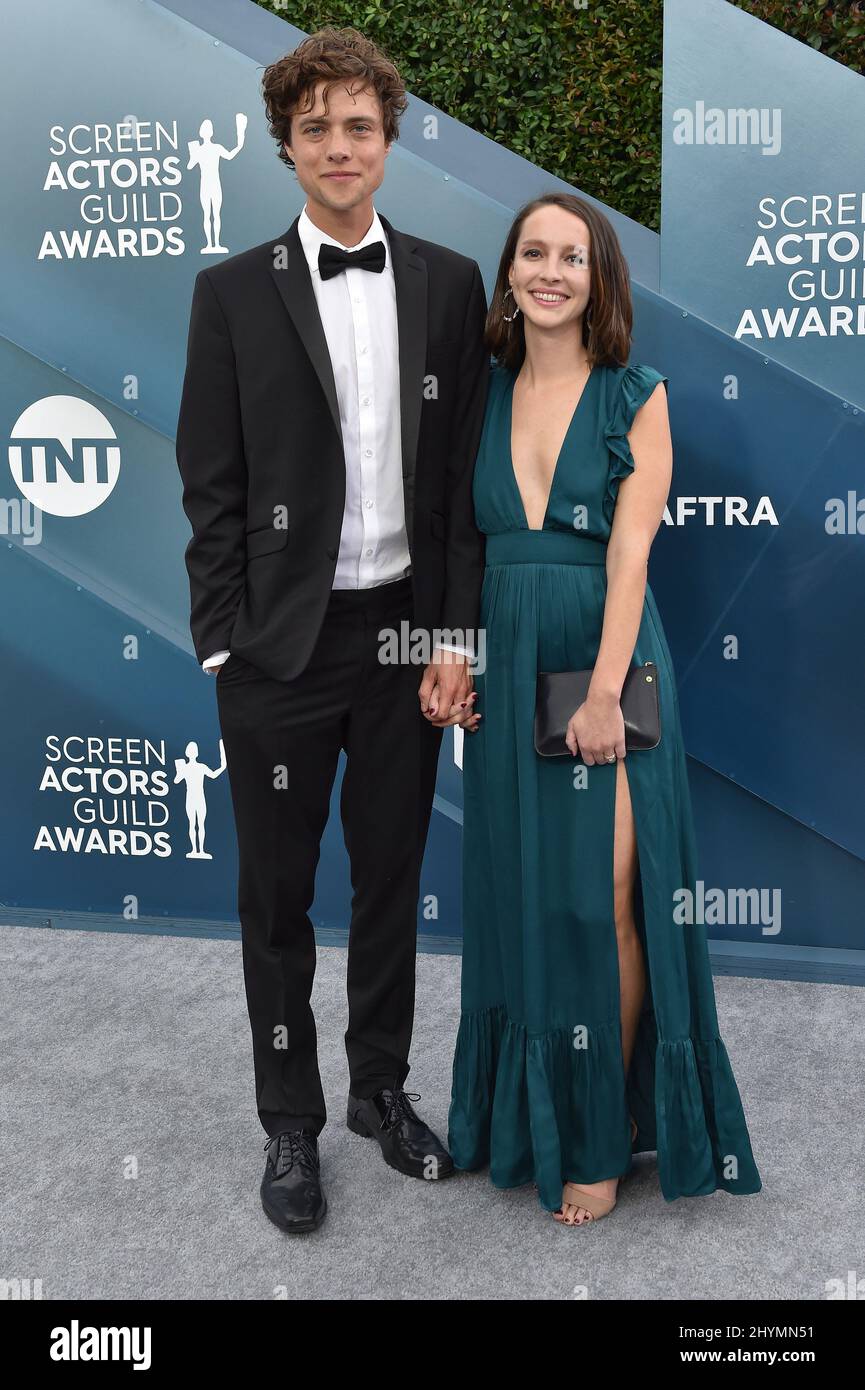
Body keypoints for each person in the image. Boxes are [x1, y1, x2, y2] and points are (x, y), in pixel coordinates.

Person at [175, 26, 489, 1233]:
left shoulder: (450, 285)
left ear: (389, 138)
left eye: (360, 124)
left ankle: (379, 1090)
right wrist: (224, 638)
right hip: (279, 647)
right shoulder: (227, 294)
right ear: (286, 146)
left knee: (392, 883)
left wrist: (454, 638)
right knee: (276, 896)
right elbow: (212, 481)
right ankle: (289, 1121)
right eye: (316, 127)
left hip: (404, 637)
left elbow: (462, 488)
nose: (340, 145)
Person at [447, 193, 762, 1224]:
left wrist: (599, 693)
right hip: (506, 650)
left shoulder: (637, 391)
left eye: (570, 256)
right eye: (531, 252)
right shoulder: (478, 393)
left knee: (604, 901)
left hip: (605, 658)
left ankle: (599, 1134)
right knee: (524, 898)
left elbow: (629, 556)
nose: (549, 270)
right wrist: (457, 655)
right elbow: (459, 545)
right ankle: (517, 1117)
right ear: (509, 273)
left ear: (599, 277)